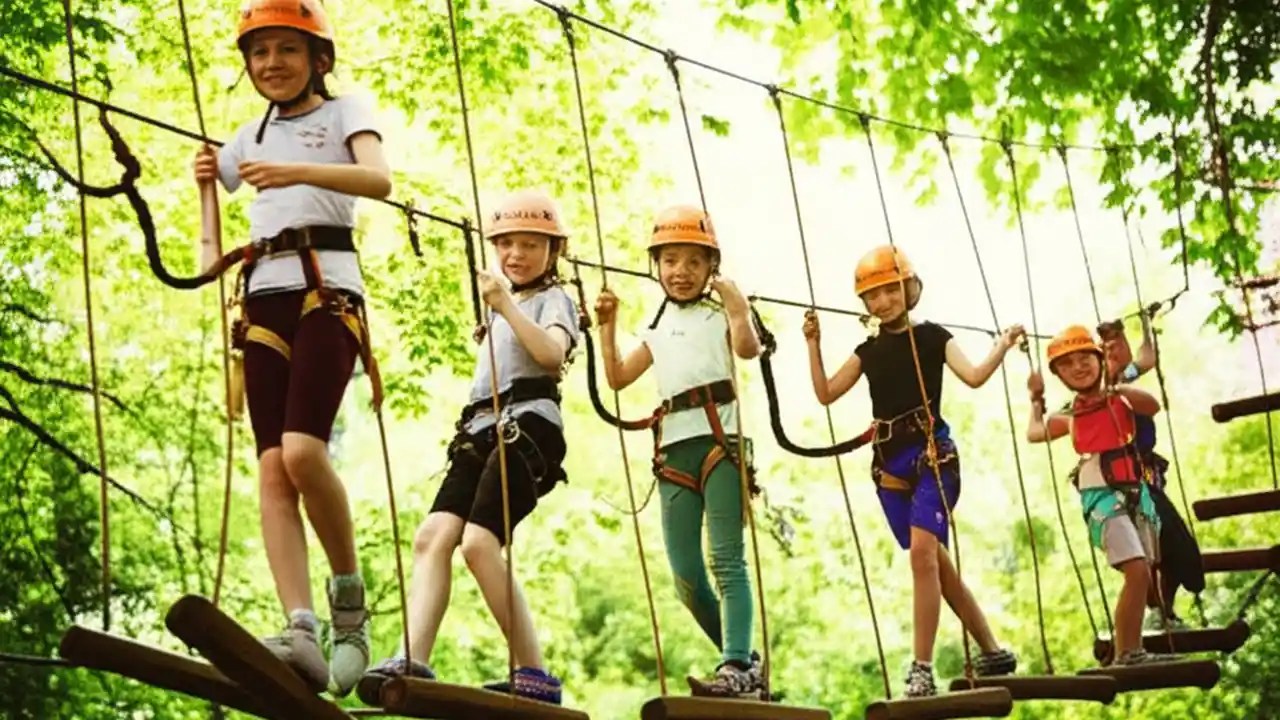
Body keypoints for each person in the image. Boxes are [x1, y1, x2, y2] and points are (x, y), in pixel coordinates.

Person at [192, 0, 391, 696]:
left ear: (317, 59)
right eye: (259, 52)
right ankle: (300, 627)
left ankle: (348, 604)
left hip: (325, 289)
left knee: (305, 451)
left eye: (287, 50)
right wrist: (207, 195)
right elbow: (211, 258)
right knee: (274, 469)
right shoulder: (245, 139)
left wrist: (301, 173)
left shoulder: (344, 114)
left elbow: (379, 180)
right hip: (262, 296)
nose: (271, 63)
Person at [359, 190, 577, 706]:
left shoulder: (554, 300)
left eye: (530, 245)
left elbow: (551, 355)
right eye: (506, 244)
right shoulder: (504, 305)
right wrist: (500, 312)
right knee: (432, 536)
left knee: (479, 544)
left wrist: (504, 305)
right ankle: (411, 653)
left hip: (528, 427)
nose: (516, 255)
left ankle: (534, 672)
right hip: (481, 428)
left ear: (553, 252)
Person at [803, 245, 1019, 697]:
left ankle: (921, 668)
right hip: (889, 468)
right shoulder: (867, 351)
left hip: (932, 456)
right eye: (873, 296)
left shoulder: (934, 338)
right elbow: (825, 393)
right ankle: (992, 650)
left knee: (922, 558)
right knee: (935, 565)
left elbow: (975, 376)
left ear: (909, 288)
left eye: (890, 290)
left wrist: (1002, 343)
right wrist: (813, 343)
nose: (882, 302)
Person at [594, 205, 767, 698]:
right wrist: (608, 326)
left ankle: (734, 662)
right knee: (686, 579)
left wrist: (737, 307)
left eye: (694, 261)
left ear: (711, 266)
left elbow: (748, 349)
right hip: (673, 451)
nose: (681, 272)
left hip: (721, 443)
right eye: (670, 260)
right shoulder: (656, 326)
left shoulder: (720, 313)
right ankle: (747, 664)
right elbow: (618, 377)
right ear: (657, 265)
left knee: (727, 560)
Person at [1026, 325, 1178, 665]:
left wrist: (1115, 387)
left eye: (1085, 359)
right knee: (1137, 569)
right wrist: (1035, 401)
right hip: (1101, 495)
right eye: (1067, 365)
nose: (1078, 368)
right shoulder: (1070, 414)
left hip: (1135, 490)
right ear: (1059, 376)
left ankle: (1140, 637)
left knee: (1147, 568)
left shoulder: (1120, 395)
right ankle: (1128, 652)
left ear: (1099, 359)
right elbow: (1035, 433)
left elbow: (1152, 405)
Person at [1097, 315, 1203, 630]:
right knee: (1147, 551)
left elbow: (1147, 357)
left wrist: (1145, 323)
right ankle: (1157, 614)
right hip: (1119, 485)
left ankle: (1164, 612)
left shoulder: (1125, 381)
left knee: (1173, 547)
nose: (1116, 352)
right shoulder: (1094, 393)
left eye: (1119, 343)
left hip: (1147, 479)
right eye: (1109, 348)